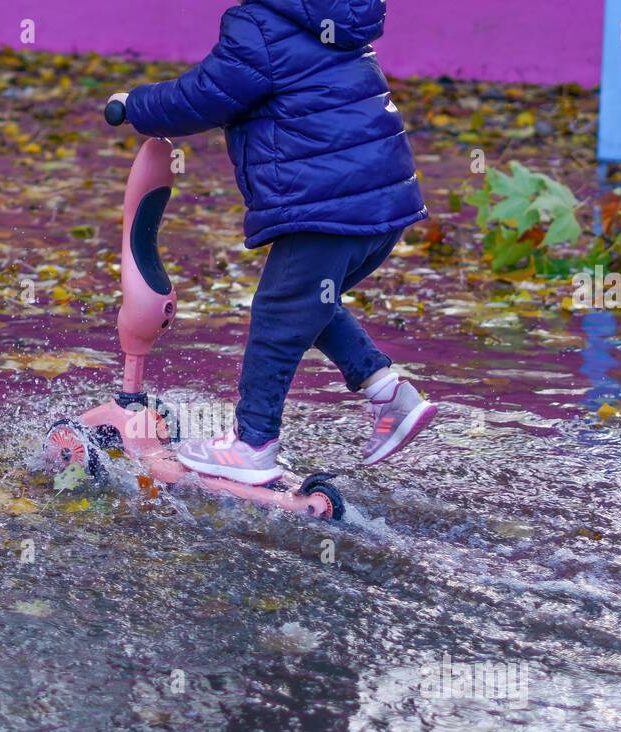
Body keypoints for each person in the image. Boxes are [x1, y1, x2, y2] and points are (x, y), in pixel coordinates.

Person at [109, 0, 437, 485]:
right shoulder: (335, 20)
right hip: (381, 205)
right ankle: (388, 392)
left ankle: (253, 443)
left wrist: (134, 105)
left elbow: (207, 94)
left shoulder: (260, 24)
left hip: (326, 207)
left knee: (279, 312)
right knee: (309, 301)